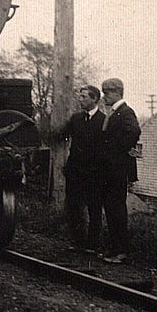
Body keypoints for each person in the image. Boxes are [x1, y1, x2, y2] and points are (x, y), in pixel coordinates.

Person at [54, 85, 105, 251]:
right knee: (74, 207)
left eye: (84, 97)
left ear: (94, 99)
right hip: (75, 171)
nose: (80, 99)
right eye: (80, 96)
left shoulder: (104, 121)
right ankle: (78, 242)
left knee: (94, 208)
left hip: (94, 173)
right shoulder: (75, 119)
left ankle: (93, 244)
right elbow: (61, 135)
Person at [99, 77, 141, 263]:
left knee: (117, 209)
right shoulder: (114, 113)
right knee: (110, 208)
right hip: (109, 169)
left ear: (117, 92)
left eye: (106, 92)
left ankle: (122, 251)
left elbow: (134, 132)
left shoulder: (125, 112)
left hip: (117, 169)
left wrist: (117, 152)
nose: (104, 96)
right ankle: (114, 248)